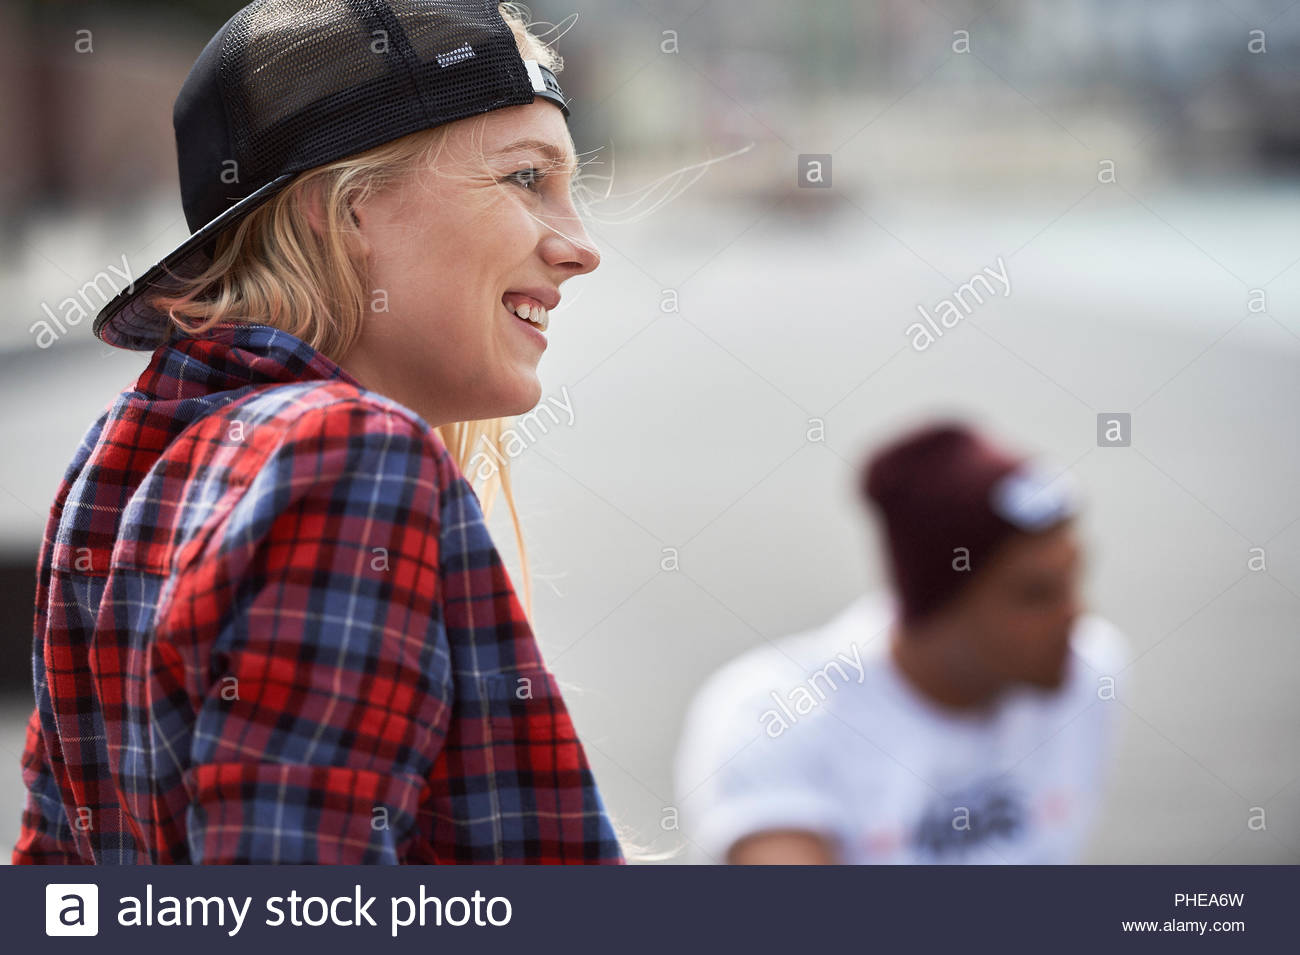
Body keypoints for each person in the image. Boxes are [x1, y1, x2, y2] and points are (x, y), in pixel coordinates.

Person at [14, 0, 624, 865]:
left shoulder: (118, 464)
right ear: (342, 208)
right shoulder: (348, 458)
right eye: (527, 178)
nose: (581, 246)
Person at [674, 421, 1127, 864]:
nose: (1076, 615)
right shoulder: (777, 718)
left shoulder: (1089, 670)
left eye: (1074, 578)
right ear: (936, 610)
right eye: (1035, 594)